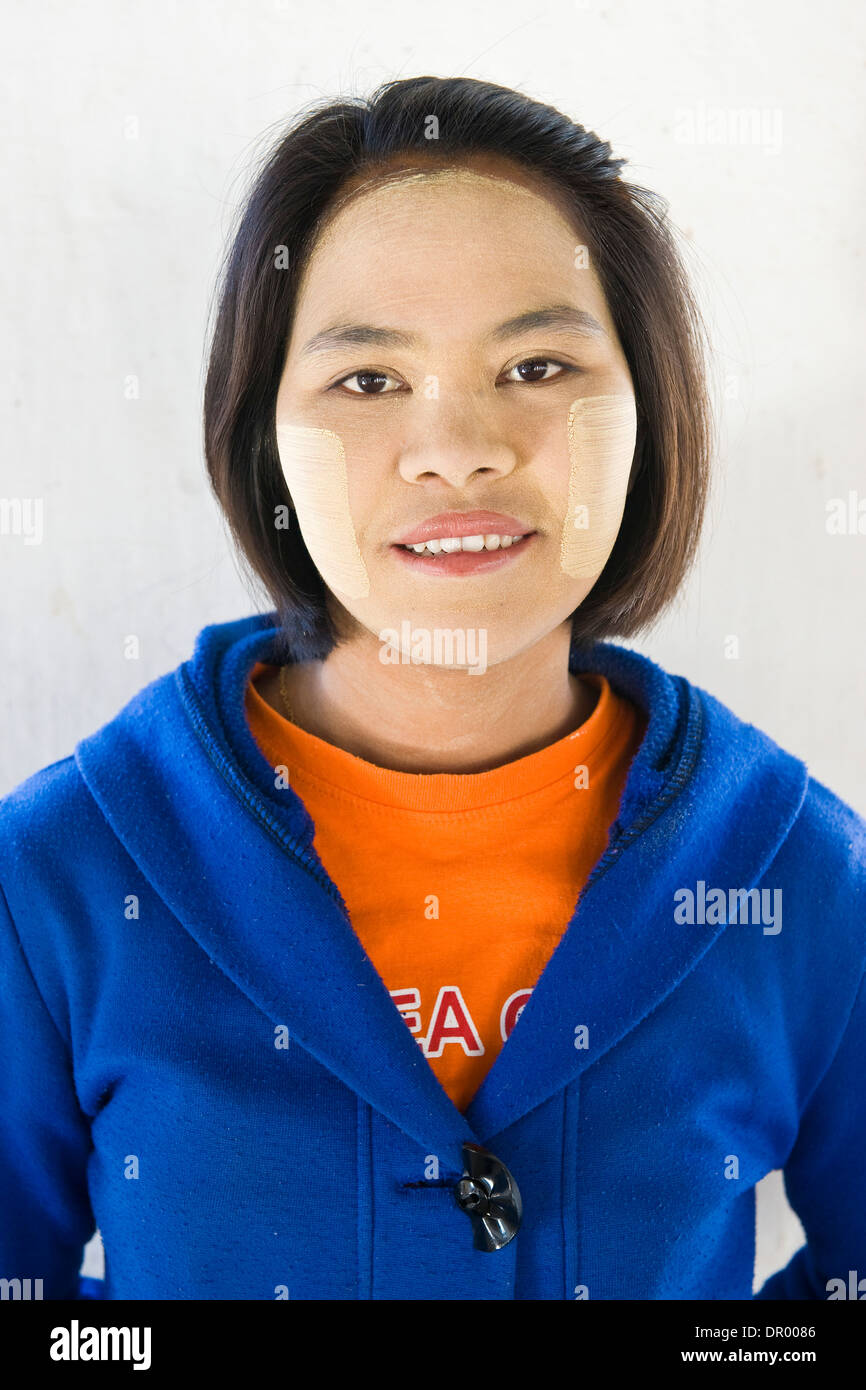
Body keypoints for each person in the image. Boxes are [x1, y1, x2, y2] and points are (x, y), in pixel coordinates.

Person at [1, 75, 864, 1302]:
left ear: (649, 410)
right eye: (366, 380)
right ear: (265, 439)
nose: (458, 444)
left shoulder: (792, 874)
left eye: (537, 363)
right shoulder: (59, 876)